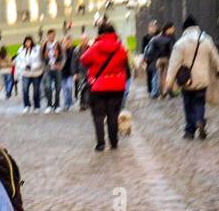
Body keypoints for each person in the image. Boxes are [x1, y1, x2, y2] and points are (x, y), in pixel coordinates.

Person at [164, 14, 219, 139]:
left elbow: (173, 65)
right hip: (202, 78)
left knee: (188, 103)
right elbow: (215, 57)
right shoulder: (207, 40)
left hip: (187, 80)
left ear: (184, 28)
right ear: (196, 27)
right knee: (200, 102)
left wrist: (169, 84)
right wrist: (218, 70)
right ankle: (200, 120)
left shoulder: (180, 44)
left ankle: (190, 130)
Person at [80, 22, 129, 151]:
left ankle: (101, 143)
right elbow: (125, 60)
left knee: (98, 116)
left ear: (100, 33)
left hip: (98, 87)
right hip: (117, 86)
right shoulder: (120, 47)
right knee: (113, 114)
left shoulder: (95, 47)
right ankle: (113, 142)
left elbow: (84, 60)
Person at [145, 23, 176, 98]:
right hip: (167, 59)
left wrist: (153, 57)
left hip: (158, 60)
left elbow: (149, 51)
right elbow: (172, 50)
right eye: (172, 28)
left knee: (159, 76)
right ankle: (167, 91)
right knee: (166, 76)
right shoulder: (169, 39)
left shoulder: (155, 39)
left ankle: (161, 93)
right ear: (167, 29)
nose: (174, 29)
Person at [14, 36, 44, 113]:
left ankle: (37, 106)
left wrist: (33, 67)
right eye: (26, 42)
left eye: (29, 41)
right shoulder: (21, 50)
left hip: (36, 73)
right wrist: (24, 66)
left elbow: (40, 60)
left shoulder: (37, 49)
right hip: (25, 73)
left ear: (32, 42)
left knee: (36, 91)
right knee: (25, 90)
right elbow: (17, 61)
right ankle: (26, 105)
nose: (28, 43)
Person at [41, 30, 63, 112]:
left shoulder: (58, 44)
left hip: (57, 69)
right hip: (48, 69)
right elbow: (41, 58)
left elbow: (63, 56)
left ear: (55, 35)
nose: (51, 37)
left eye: (53, 35)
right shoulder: (44, 45)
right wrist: (44, 66)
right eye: (50, 35)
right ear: (47, 36)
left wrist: (61, 65)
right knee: (47, 87)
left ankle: (57, 105)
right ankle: (49, 105)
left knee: (58, 88)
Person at [58, 35, 78, 112]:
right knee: (65, 89)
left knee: (69, 87)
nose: (66, 42)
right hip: (62, 72)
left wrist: (76, 72)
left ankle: (69, 103)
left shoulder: (74, 49)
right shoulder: (61, 51)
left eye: (68, 41)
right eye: (64, 41)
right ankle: (67, 104)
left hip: (70, 72)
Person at [140, 20, 160, 95]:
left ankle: (156, 89)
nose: (154, 28)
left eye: (155, 26)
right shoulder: (146, 37)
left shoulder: (158, 35)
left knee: (157, 74)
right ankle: (150, 89)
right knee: (149, 74)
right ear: (149, 28)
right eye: (152, 26)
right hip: (149, 57)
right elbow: (143, 47)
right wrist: (144, 58)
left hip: (157, 56)